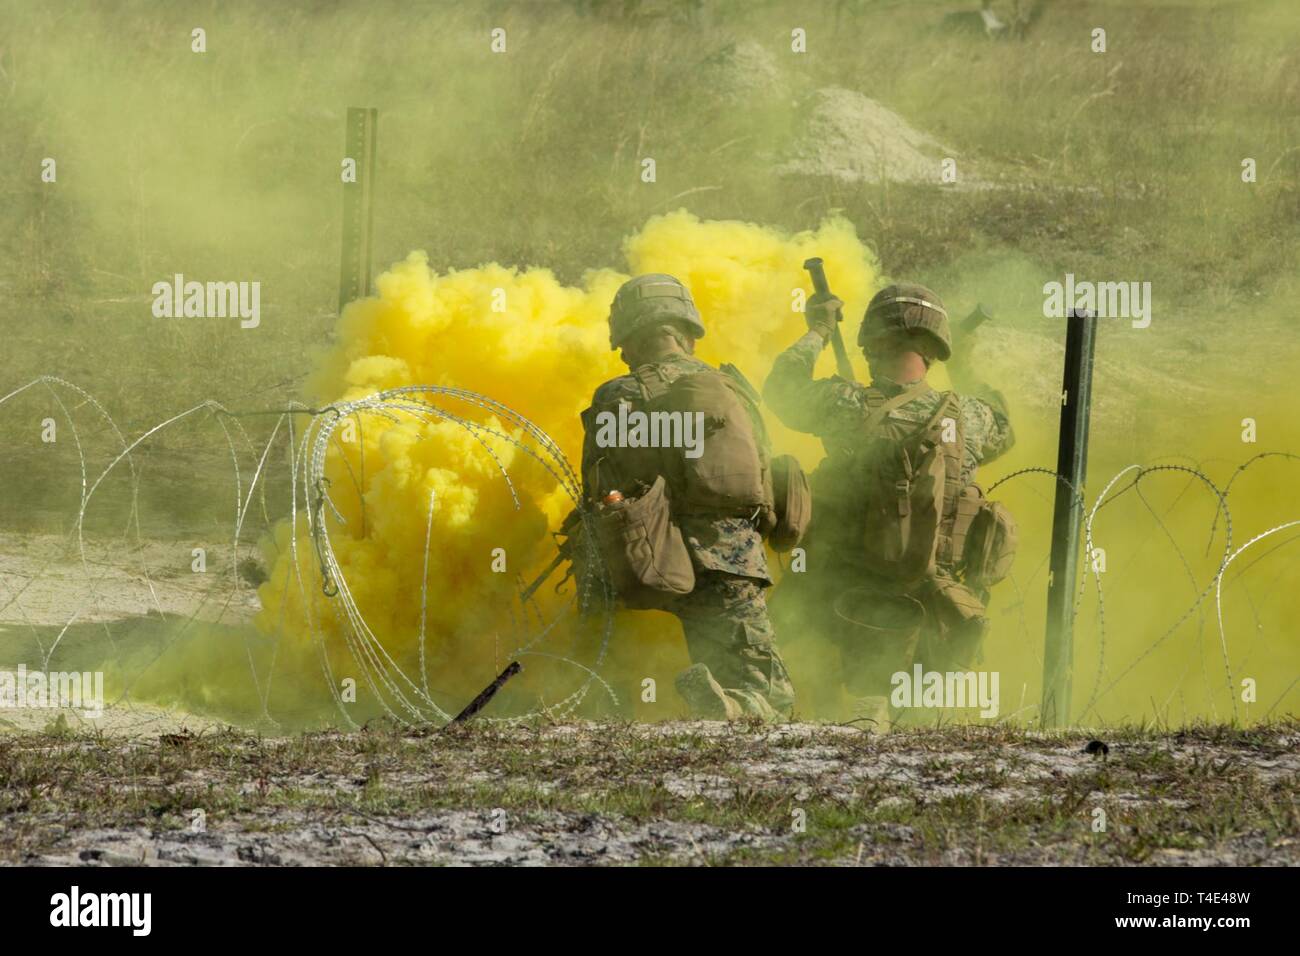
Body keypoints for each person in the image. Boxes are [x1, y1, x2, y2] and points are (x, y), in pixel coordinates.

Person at [763, 283, 1015, 727]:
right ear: (935, 352)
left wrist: (819, 329)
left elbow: (782, 388)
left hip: (843, 601)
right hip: (939, 605)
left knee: (781, 625)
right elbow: (1004, 424)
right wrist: (968, 356)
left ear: (871, 345)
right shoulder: (970, 418)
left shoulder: (845, 404)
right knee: (925, 739)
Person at [579, 274, 795, 720]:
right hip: (732, 556)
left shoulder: (617, 395)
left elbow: (600, 486)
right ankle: (736, 706)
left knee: (604, 656)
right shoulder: (733, 389)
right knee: (767, 694)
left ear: (629, 338)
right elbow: (762, 466)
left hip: (648, 558)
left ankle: (609, 706)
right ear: (686, 331)